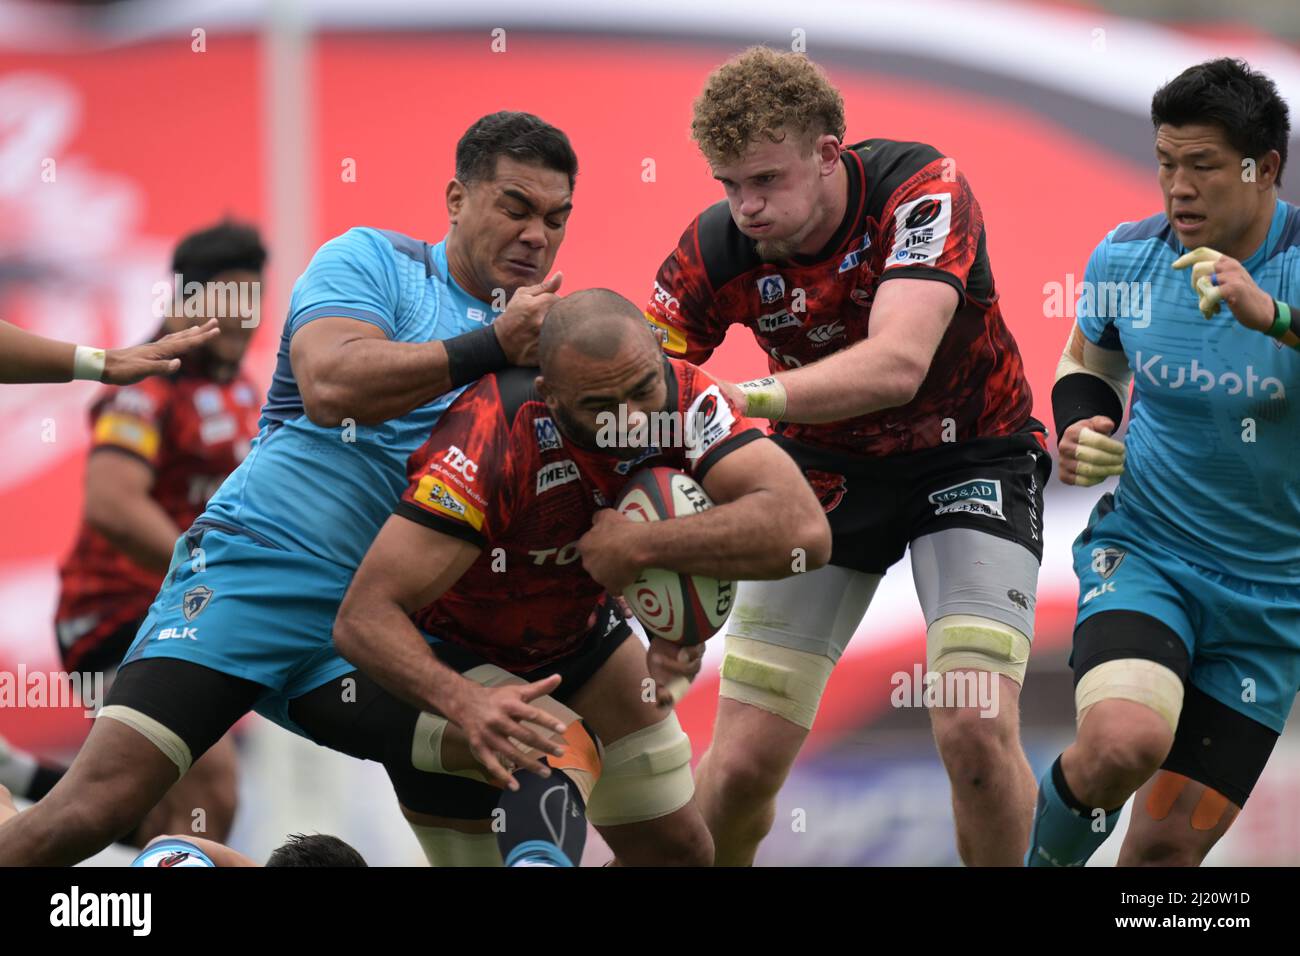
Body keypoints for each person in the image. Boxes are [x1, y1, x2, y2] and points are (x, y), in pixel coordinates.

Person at [0, 110, 573, 867]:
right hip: (243, 585)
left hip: (366, 627)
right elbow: (333, 386)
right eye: (516, 207)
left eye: (557, 218)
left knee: (535, 740)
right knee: (97, 806)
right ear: (457, 199)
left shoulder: (544, 356)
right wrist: (490, 345)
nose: (538, 234)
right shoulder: (373, 263)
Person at [644, 47, 1050, 866]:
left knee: (972, 727)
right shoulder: (714, 248)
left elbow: (899, 365)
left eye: (766, 180)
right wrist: (663, 566)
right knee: (741, 770)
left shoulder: (921, 188)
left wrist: (745, 400)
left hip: (968, 457)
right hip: (822, 475)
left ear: (831, 153)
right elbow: (645, 396)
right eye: (728, 184)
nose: (746, 208)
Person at [329, 289, 831, 866]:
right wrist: (464, 701)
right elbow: (361, 618)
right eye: (600, 405)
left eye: (645, 388)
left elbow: (803, 531)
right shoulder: (493, 431)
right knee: (548, 780)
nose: (633, 419)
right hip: (452, 654)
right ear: (550, 395)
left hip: (580, 638)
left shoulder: (690, 395)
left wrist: (640, 552)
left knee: (683, 854)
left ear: (658, 358)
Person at [1027, 58, 1300, 867]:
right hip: (1150, 556)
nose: (1178, 188)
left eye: (1204, 166)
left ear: (1266, 168)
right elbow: (1087, 363)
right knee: (1121, 743)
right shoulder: (1126, 258)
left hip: (1273, 606)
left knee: (1164, 860)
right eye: (1165, 163)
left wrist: (1275, 316)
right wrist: (1084, 423)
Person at [0, 221, 267, 846]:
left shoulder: (242, 389)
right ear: (185, 302)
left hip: (186, 616)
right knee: (208, 779)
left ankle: (23, 776)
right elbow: (113, 506)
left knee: (153, 809)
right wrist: (215, 568)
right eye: (226, 303)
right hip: (112, 615)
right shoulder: (148, 386)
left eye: (251, 302)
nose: (242, 320)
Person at [0, 318, 218, 385]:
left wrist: (106, 363)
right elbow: (109, 495)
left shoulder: (244, 387)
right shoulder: (148, 395)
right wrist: (105, 362)